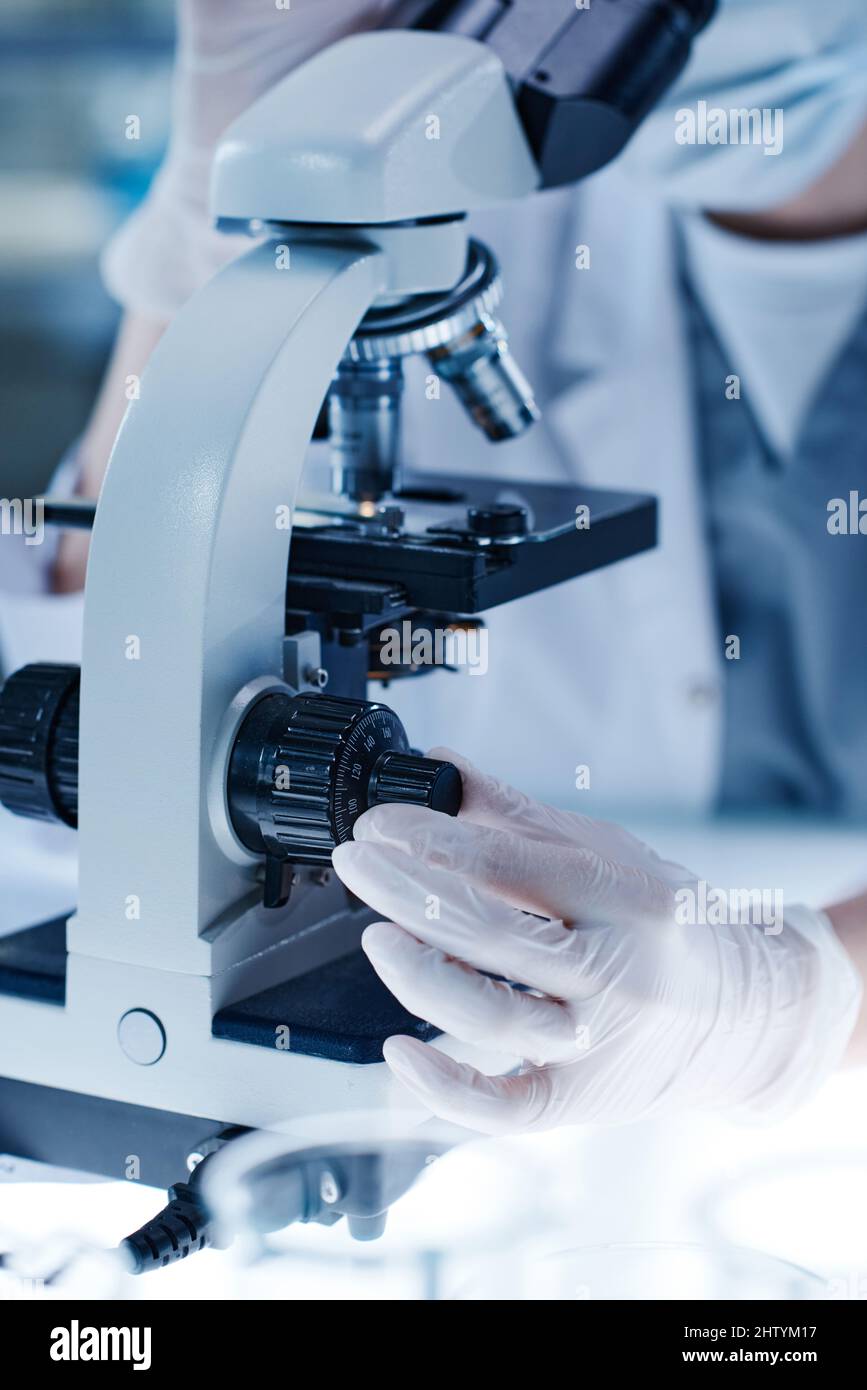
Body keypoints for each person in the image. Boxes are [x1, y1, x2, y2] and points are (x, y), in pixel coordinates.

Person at [2, 0, 867, 1130]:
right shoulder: (477, 111)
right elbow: (102, 695)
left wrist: (802, 1003)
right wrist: (205, 257)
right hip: (437, 998)